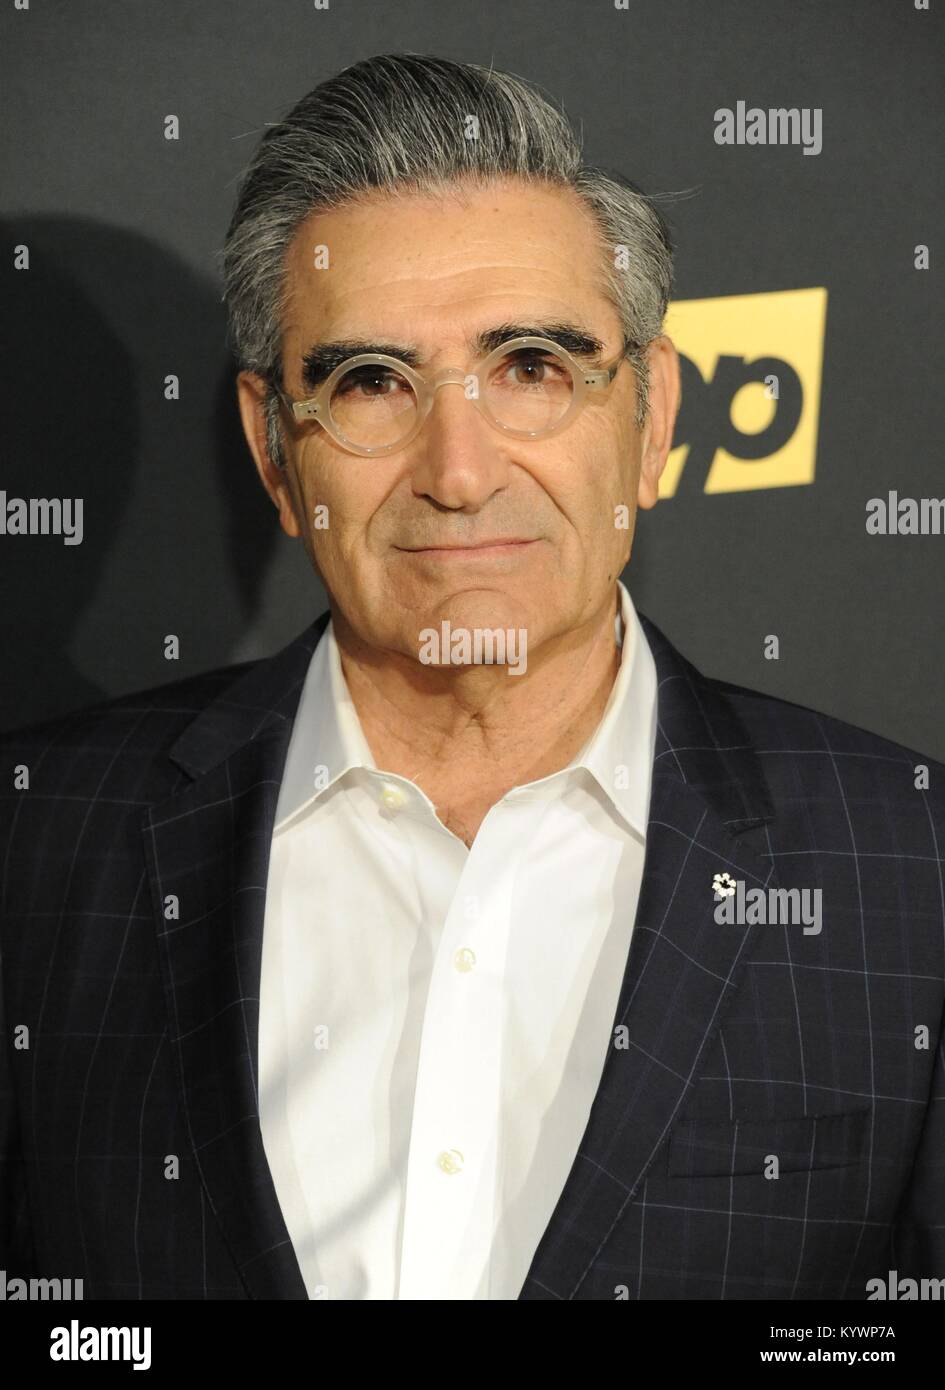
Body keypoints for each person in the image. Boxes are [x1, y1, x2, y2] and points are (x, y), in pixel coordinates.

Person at [1, 53, 942, 1302]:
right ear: (274, 452)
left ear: (654, 417)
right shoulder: (39, 840)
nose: (459, 467)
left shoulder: (910, 863)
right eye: (370, 383)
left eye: (534, 368)